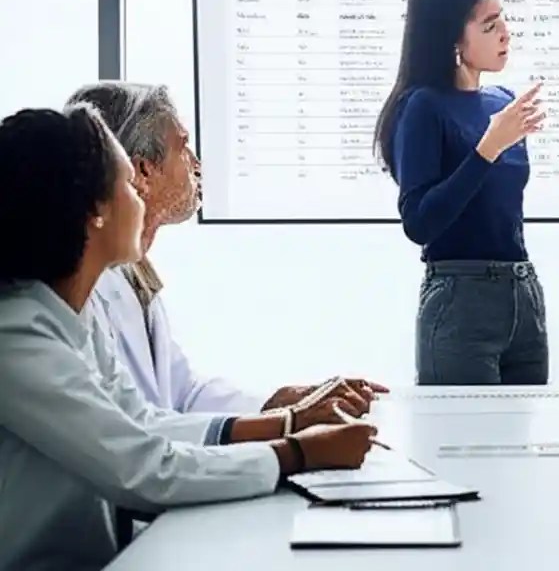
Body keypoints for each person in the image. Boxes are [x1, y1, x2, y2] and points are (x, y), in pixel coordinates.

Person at [0, 106, 375, 570]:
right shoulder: (15, 335)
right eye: (127, 186)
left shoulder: (75, 314)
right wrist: (297, 452)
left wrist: (286, 424)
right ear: (95, 209)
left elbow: (145, 422)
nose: (138, 197)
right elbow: (142, 469)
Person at [66, 82, 388, 415]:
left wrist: (282, 402)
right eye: (183, 147)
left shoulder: (132, 272)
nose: (197, 164)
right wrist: (289, 431)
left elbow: (182, 394)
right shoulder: (86, 288)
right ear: (143, 171)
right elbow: (138, 431)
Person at [373, 0, 548, 385]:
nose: (506, 33)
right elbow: (420, 221)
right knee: (466, 441)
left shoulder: (502, 102)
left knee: (524, 440)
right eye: (490, 25)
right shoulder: (422, 107)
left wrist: (498, 139)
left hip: (522, 291)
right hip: (460, 299)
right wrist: (487, 148)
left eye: (502, 18)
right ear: (453, 39)